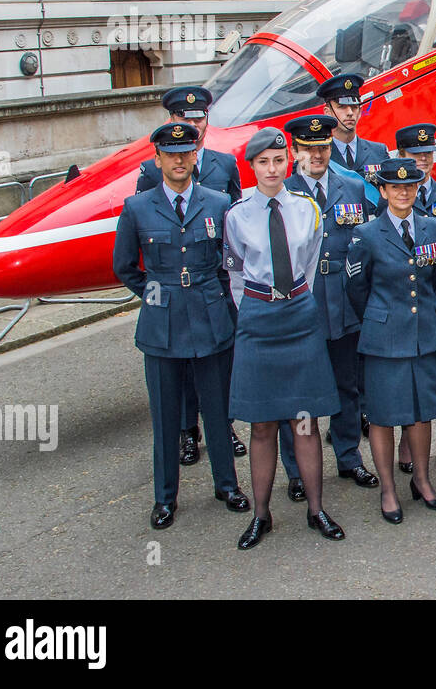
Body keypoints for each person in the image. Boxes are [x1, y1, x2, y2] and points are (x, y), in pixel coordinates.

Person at [114, 122, 248, 529]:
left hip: (211, 318)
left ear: (195, 155)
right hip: (162, 326)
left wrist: (226, 305)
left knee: (218, 410)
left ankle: (227, 485)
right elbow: (125, 267)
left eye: (185, 152)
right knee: (166, 417)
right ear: (157, 159)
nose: (178, 160)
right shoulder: (137, 207)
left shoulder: (218, 202)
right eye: (170, 154)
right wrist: (159, 295)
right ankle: (165, 498)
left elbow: (232, 263)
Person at [225, 128, 344, 549]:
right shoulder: (237, 214)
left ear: (289, 160)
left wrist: (295, 300)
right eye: (263, 162)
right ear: (252, 166)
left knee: (306, 421)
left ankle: (316, 510)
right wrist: (255, 310)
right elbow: (236, 272)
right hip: (258, 318)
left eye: (278, 161)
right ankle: (261, 515)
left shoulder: (308, 209)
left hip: (298, 313)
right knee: (261, 426)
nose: (272, 169)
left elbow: (309, 263)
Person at [134, 86, 245, 466]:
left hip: (213, 287)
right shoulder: (152, 170)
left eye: (200, 119)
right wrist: (155, 293)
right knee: (178, 370)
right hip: (172, 292)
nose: (194, 124)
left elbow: (234, 222)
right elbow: (145, 226)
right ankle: (187, 431)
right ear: (173, 121)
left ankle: (223, 426)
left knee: (218, 364)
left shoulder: (223, 164)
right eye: (186, 119)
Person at [274, 115, 379, 497]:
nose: (316, 155)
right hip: (303, 303)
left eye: (322, 147)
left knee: (346, 386)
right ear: (295, 152)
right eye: (308, 148)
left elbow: (366, 244)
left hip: (344, 303)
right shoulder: (283, 194)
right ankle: (298, 471)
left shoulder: (352, 187)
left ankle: (349, 456)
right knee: (300, 393)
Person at [345, 158, 436, 521]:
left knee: (422, 412)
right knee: (383, 415)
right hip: (384, 339)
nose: (403, 192)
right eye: (395, 187)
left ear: (418, 188)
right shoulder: (367, 234)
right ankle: (388, 489)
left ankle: (422, 480)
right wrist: (381, 318)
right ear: (383, 191)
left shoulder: (433, 228)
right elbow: (356, 288)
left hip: (425, 335)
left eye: (410, 186)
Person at [393, 122, 436, 471]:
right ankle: (408, 436)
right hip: (406, 299)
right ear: (401, 156)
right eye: (415, 155)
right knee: (410, 370)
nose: (423, 160)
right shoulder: (394, 193)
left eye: (427, 154)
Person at [322, 75, 391, 179]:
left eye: (354, 107)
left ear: (360, 112)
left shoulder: (379, 152)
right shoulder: (319, 157)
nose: (350, 113)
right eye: (342, 107)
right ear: (328, 112)